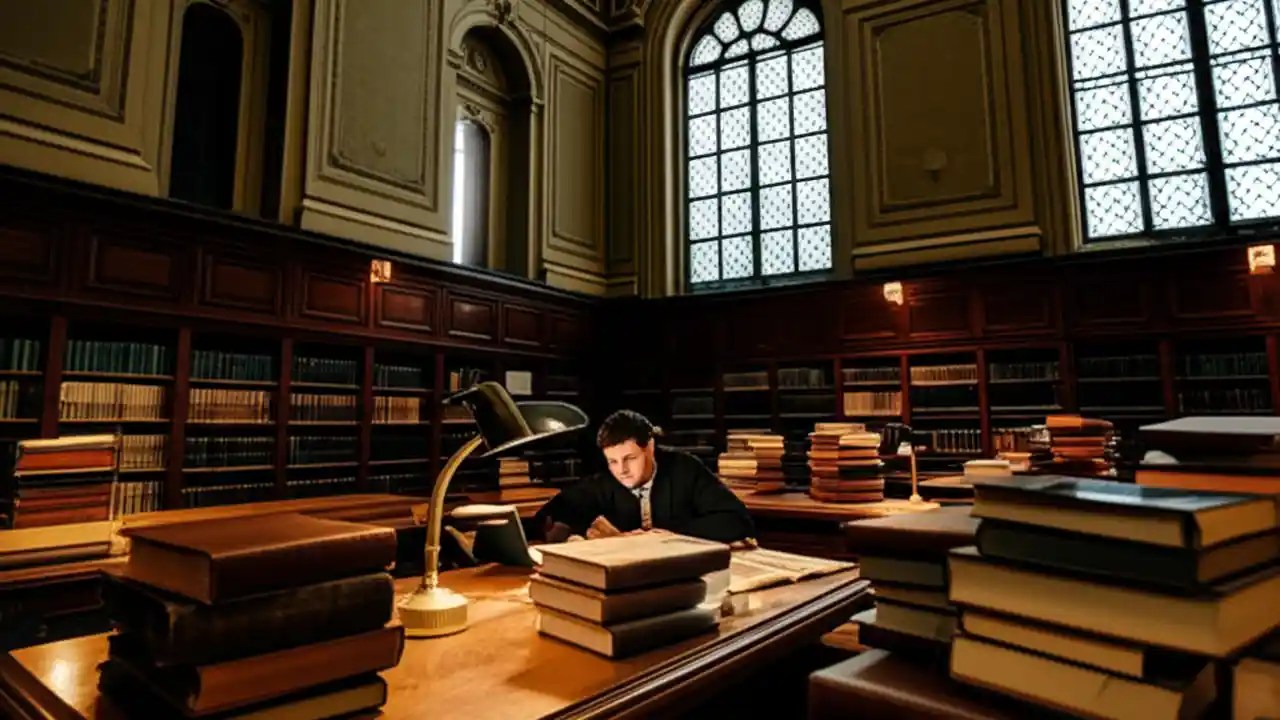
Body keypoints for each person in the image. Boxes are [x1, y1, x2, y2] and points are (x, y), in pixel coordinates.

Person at [534, 409, 755, 544]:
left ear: (649, 447)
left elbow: (737, 520)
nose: (621, 470)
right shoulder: (605, 481)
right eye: (613, 461)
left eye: (630, 458)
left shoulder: (684, 469)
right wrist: (571, 536)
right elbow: (550, 517)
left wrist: (664, 538)